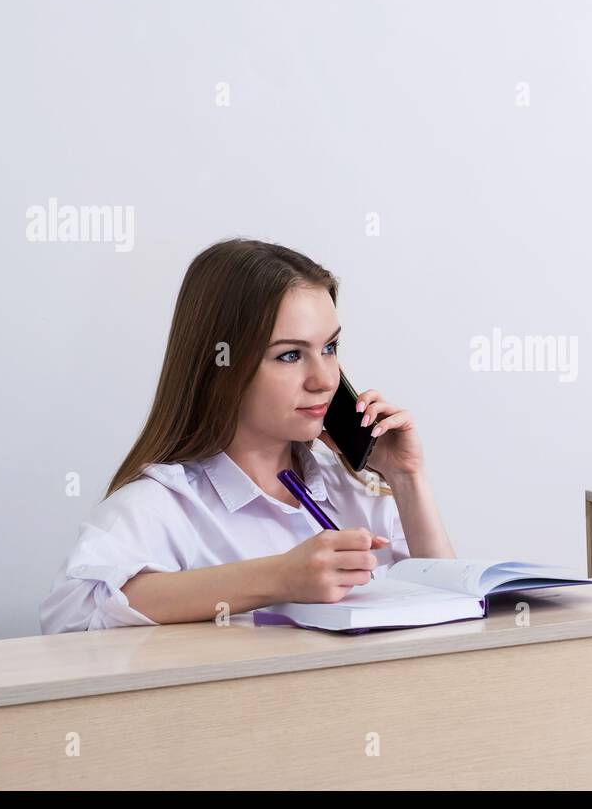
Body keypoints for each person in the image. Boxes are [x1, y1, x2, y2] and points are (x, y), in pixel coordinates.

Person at [38, 238, 455, 632]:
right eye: (290, 355)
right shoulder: (164, 505)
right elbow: (72, 611)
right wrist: (278, 577)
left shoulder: (356, 490)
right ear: (222, 365)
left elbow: (457, 606)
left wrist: (407, 478)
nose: (325, 380)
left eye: (329, 348)